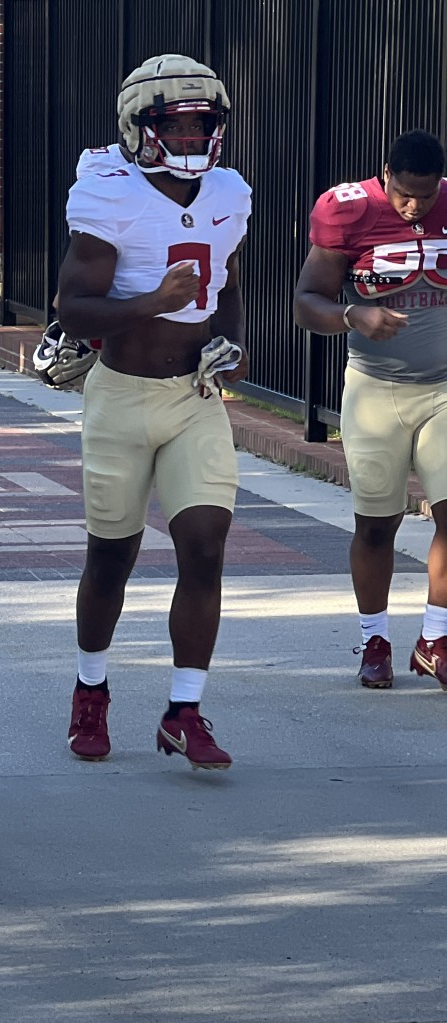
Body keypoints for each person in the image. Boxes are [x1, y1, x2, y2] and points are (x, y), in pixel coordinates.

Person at [56, 53, 251, 770]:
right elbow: (72, 307)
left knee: (204, 546)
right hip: (121, 395)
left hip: (193, 399)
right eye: (179, 124)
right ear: (141, 128)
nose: (196, 138)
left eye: (206, 125)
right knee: (112, 559)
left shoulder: (229, 192)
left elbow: (227, 279)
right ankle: (90, 690)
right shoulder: (109, 192)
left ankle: (185, 709)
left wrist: (232, 341)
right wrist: (149, 303)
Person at [295, 130, 447, 691]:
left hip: (444, 388)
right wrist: (353, 315)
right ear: (386, 175)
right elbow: (306, 302)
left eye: (426, 197)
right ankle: (374, 637)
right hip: (376, 388)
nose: (414, 206)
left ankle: (435, 637)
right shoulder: (349, 210)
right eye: (405, 194)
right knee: (377, 526)